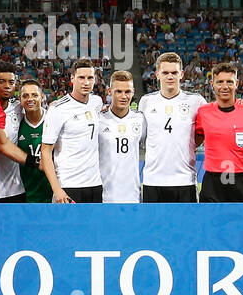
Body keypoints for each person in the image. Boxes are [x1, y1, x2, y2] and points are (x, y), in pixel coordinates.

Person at [139, 52, 206, 202]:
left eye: (174, 72)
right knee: (154, 225)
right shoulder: (146, 101)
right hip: (153, 179)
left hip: (185, 180)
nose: (170, 76)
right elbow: (142, 138)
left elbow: (206, 130)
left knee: (186, 225)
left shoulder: (196, 101)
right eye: (165, 72)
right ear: (157, 74)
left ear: (181, 74)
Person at [194, 62, 243, 202]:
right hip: (214, 181)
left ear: (237, 83)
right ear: (212, 84)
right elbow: (197, 139)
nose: (225, 86)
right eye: (220, 82)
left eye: (229, 82)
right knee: (211, 223)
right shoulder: (203, 112)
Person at [41, 59, 105, 203]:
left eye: (90, 78)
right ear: (72, 78)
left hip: (95, 184)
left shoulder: (97, 102)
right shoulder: (58, 109)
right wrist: (57, 189)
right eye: (81, 77)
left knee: (94, 226)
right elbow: (45, 152)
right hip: (68, 185)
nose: (86, 82)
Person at [98, 70, 146, 203]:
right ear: (109, 91)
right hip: (104, 196)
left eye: (127, 92)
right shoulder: (99, 119)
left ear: (133, 92)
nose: (124, 96)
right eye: (118, 91)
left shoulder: (140, 119)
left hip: (133, 196)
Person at [0, 61, 28, 202]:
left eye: (11, 82)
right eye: (2, 82)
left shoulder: (19, 108)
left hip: (16, 189)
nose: (7, 86)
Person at [15, 79, 51, 203]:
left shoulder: (53, 119)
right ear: (20, 99)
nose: (30, 99)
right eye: (25, 96)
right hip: (27, 193)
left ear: (42, 97)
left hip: (53, 193)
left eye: (34, 95)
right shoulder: (17, 124)